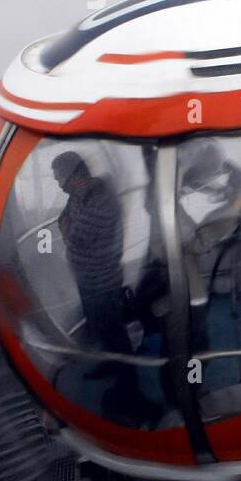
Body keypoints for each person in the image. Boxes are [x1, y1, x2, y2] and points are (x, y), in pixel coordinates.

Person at [52, 151, 155, 423]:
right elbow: (62, 220)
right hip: (87, 279)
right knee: (99, 327)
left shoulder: (101, 201)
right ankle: (111, 364)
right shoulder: (77, 196)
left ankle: (132, 394)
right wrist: (67, 226)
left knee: (115, 336)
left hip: (103, 281)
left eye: (61, 178)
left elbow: (74, 237)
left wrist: (68, 229)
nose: (59, 185)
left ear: (75, 175)